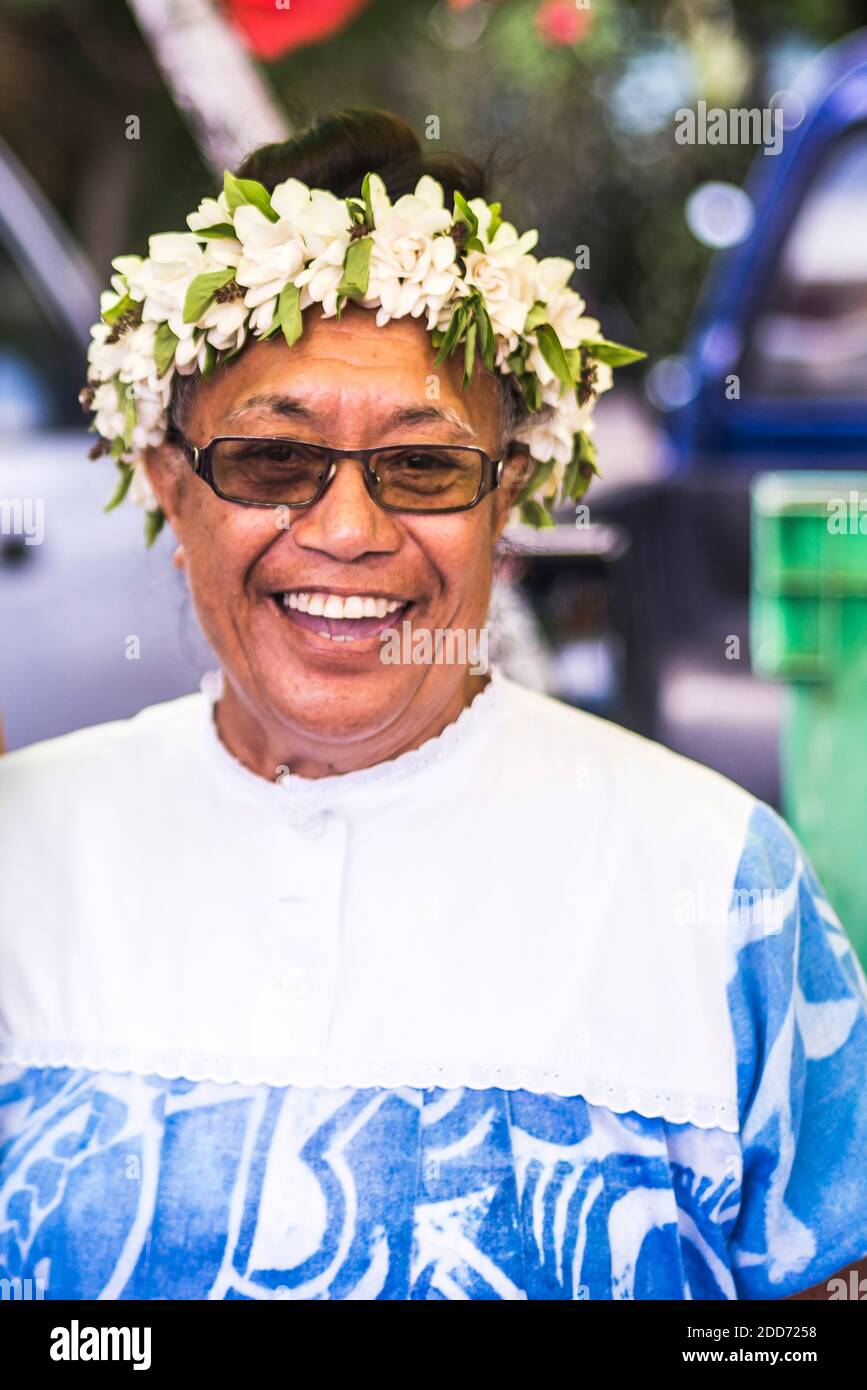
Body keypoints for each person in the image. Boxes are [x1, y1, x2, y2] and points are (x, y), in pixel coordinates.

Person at [1, 109, 865, 1302]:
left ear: (509, 491)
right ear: (167, 479)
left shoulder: (719, 881)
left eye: (422, 464)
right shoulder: (23, 845)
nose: (349, 531)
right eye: (269, 459)